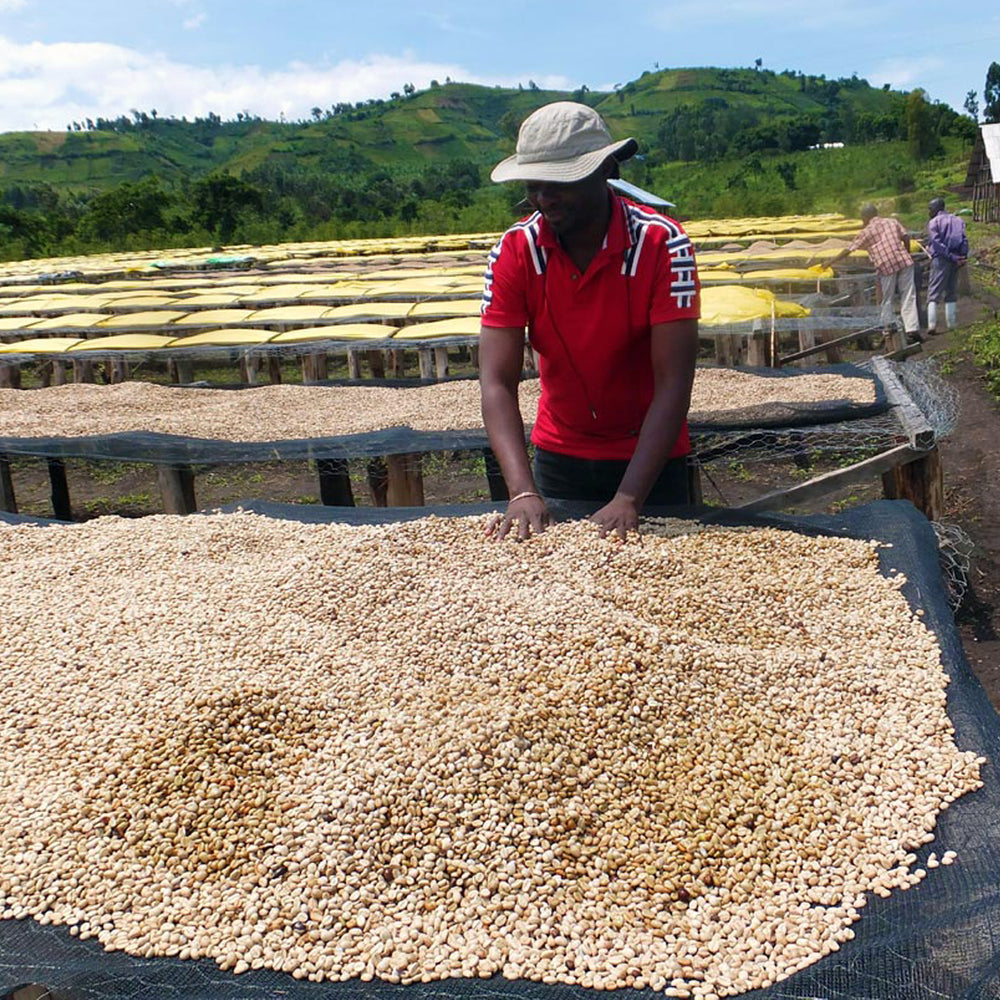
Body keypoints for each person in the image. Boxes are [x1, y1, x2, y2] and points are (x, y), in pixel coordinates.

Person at [479, 101, 700, 541]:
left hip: (650, 459)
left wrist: (630, 498)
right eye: (535, 185)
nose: (544, 199)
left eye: (561, 183)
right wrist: (522, 490)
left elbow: (674, 381)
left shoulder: (661, 244)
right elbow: (496, 381)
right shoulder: (517, 250)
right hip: (560, 453)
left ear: (606, 171)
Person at [825, 203, 920, 343]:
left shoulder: (866, 231)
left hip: (886, 265)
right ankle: (911, 329)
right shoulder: (891, 221)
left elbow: (849, 249)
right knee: (908, 295)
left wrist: (829, 263)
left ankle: (888, 329)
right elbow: (906, 237)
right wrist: (907, 252)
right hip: (903, 260)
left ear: (865, 217)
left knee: (887, 298)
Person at [926, 197, 968, 334]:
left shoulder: (934, 222)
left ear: (936, 209)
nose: (929, 211)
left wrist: (950, 256)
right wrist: (961, 257)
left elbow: (937, 244)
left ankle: (932, 325)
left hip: (941, 260)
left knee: (934, 292)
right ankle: (951, 324)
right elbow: (964, 240)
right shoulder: (958, 220)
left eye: (930, 209)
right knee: (951, 290)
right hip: (955, 259)